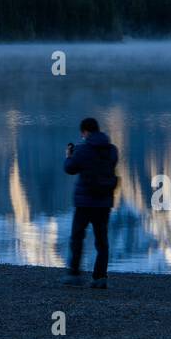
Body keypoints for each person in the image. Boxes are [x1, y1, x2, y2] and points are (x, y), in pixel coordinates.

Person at [61, 117, 119, 289]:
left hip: (84, 202)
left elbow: (70, 168)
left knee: (77, 237)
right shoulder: (112, 150)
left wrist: (69, 156)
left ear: (85, 132)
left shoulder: (82, 150)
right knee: (102, 241)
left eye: (82, 133)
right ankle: (100, 277)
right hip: (104, 203)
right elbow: (111, 164)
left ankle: (74, 274)